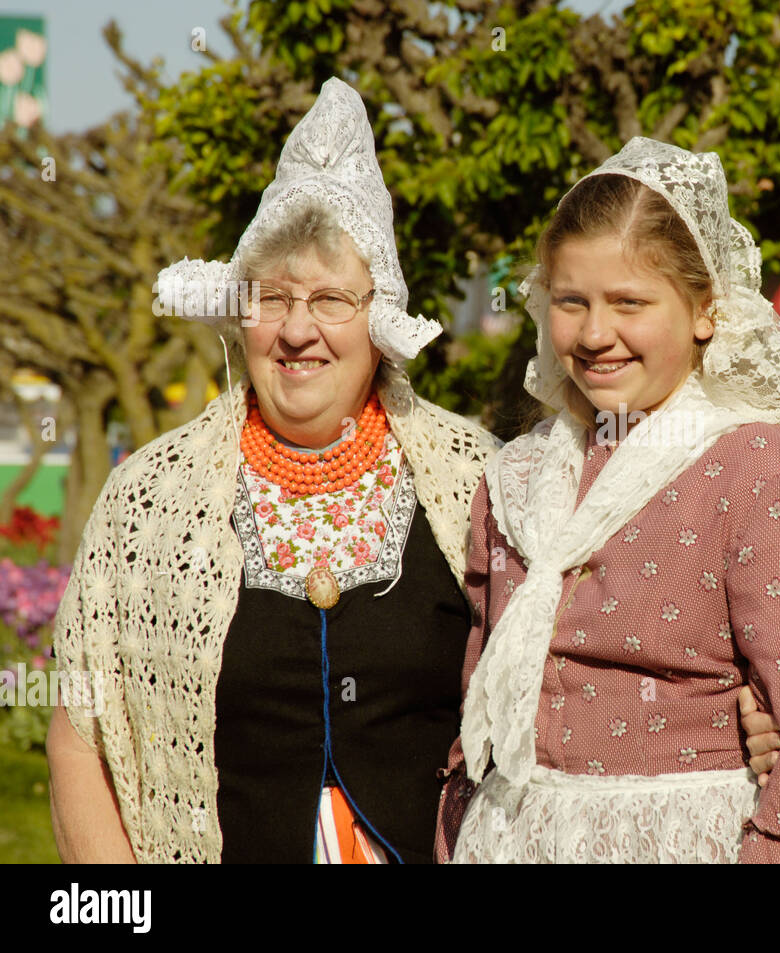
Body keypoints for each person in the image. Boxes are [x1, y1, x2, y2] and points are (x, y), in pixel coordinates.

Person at [46, 78, 496, 863]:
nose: (296, 330)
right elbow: (82, 738)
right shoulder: (149, 499)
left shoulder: (479, 478)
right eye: (271, 297)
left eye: (329, 299)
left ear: (379, 316)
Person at [436, 137, 780, 863]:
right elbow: (482, 693)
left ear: (703, 310)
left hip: (683, 839)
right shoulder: (518, 476)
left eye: (630, 302)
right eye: (573, 302)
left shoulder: (756, 467)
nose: (597, 334)